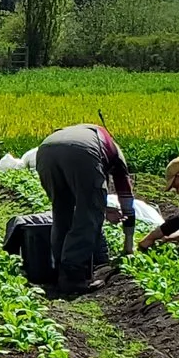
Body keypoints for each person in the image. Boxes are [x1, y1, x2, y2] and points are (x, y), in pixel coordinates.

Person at [34, 121, 137, 292]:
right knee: (88, 217)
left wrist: (102, 208)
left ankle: (59, 270)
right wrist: (129, 244)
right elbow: (125, 193)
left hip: (46, 150)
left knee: (61, 211)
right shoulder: (115, 153)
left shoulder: (91, 136)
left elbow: (77, 195)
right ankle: (73, 277)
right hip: (81, 153)